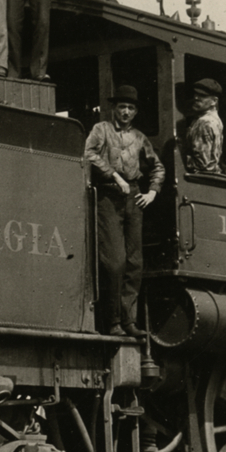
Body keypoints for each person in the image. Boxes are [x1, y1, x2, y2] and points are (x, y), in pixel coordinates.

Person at [84, 85, 165, 335]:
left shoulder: (140, 138)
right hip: (108, 197)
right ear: (114, 109)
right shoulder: (101, 130)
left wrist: (152, 192)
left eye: (130, 108)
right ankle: (112, 322)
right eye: (122, 107)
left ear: (135, 111)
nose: (126, 112)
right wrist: (114, 176)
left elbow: (158, 167)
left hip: (133, 198)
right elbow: (88, 153)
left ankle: (129, 322)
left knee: (134, 263)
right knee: (114, 262)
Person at [185, 78, 225, 173]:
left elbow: (202, 164)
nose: (196, 98)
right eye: (196, 94)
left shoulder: (204, 122)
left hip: (201, 176)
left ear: (214, 101)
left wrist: (181, 157)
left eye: (202, 96)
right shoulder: (216, 120)